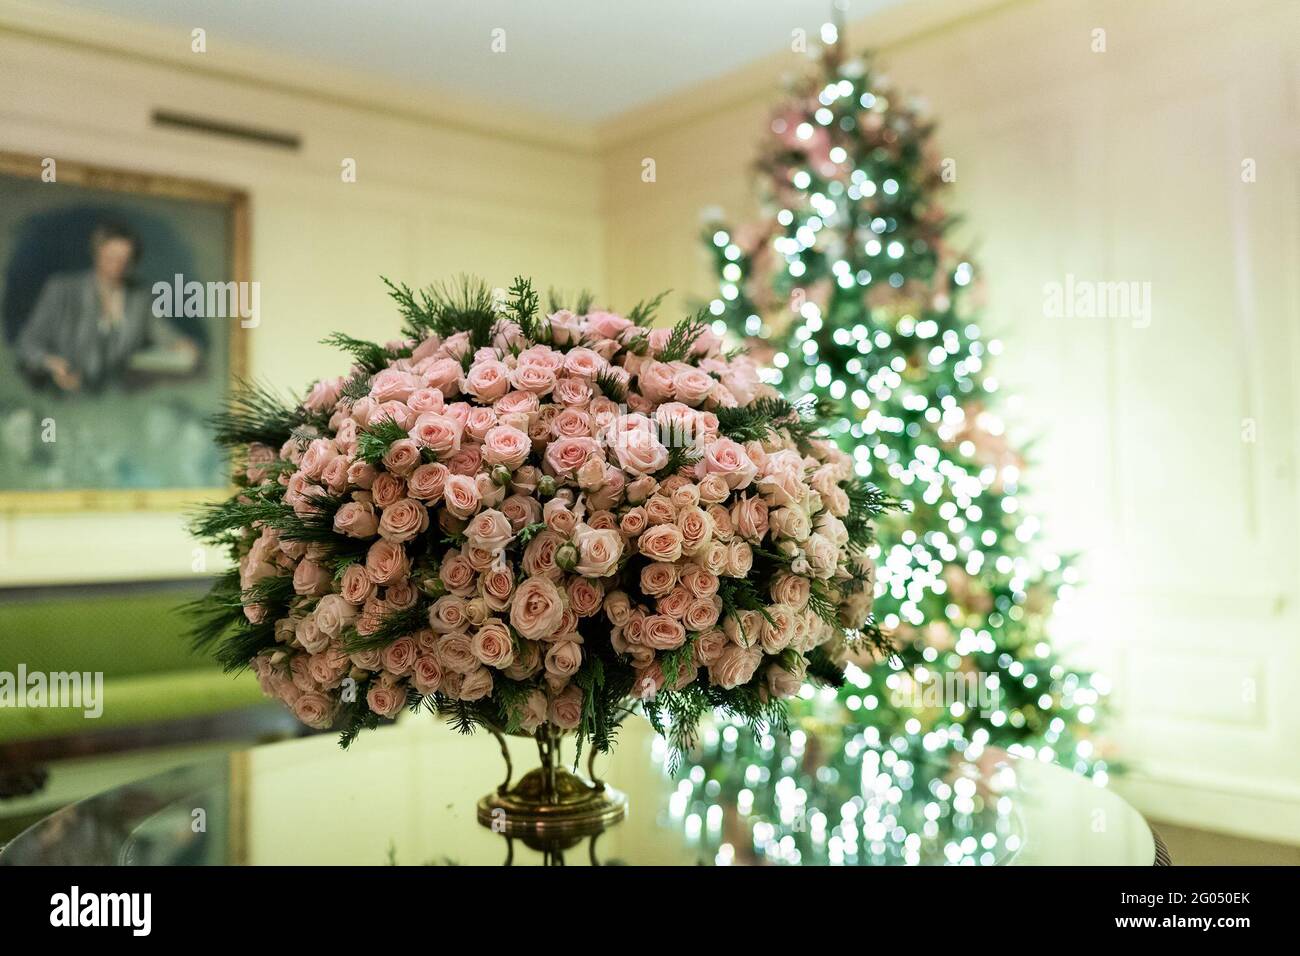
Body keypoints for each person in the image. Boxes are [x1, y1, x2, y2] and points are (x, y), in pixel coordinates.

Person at [15, 222, 198, 392]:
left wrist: (181, 345)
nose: (118, 266)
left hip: (117, 398)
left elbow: (163, 333)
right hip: (61, 396)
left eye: (126, 260)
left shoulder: (140, 297)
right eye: (111, 257)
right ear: (96, 254)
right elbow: (28, 343)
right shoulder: (63, 289)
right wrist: (53, 364)